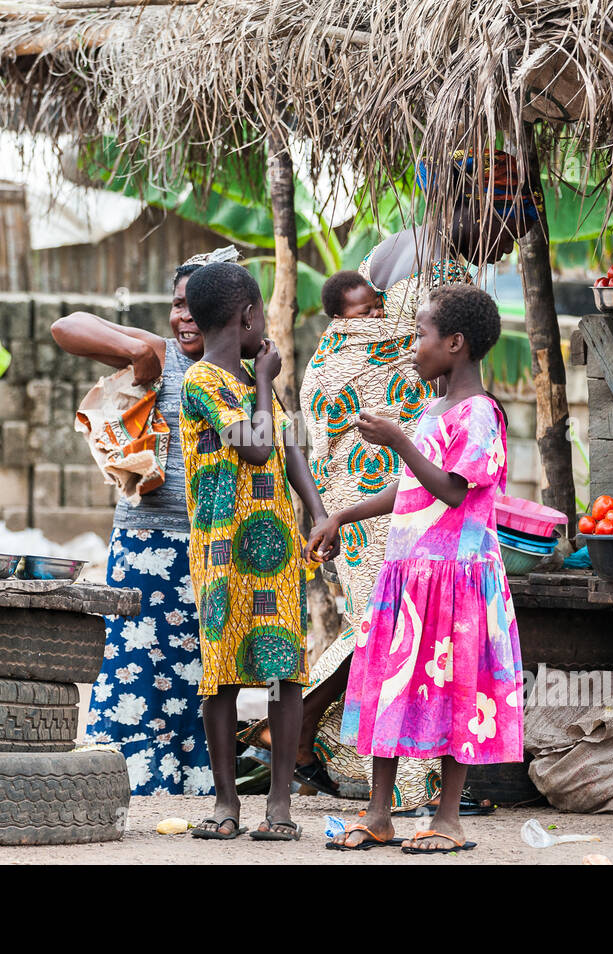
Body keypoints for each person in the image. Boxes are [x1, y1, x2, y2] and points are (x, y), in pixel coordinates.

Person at [240, 149, 539, 811]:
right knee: (391, 623)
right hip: (381, 459)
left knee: (383, 619)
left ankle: (302, 736)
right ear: (473, 206)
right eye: (509, 217)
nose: (514, 235)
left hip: (369, 455)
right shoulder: (445, 272)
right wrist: (401, 440)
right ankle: (400, 783)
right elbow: (373, 350)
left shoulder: (390, 249)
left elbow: (353, 345)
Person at [310, 284, 524, 853]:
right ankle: (379, 813)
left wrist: (399, 439)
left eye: (423, 335)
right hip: (408, 575)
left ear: (455, 343)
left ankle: (448, 818)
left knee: (458, 690)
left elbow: (452, 492)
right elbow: (412, 490)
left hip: (457, 580)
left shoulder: (482, 415)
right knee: (388, 685)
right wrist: (344, 514)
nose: (414, 345)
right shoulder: (434, 408)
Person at [50, 245, 237, 796]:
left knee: (205, 673)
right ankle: (124, 781)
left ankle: (200, 786)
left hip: (216, 545)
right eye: (177, 304)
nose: (184, 317)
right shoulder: (162, 355)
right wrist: (137, 349)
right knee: (135, 666)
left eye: (198, 306)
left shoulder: (245, 371)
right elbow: (66, 326)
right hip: (146, 542)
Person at [179, 261, 327, 841]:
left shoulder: (249, 384)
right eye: (259, 313)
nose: (263, 324)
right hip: (222, 554)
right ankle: (226, 804)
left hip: (276, 553)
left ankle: (280, 806)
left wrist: (319, 516)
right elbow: (257, 448)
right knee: (221, 675)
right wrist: (265, 378)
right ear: (245, 317)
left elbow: (289, 449)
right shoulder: (204, 382)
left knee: (284, 673)